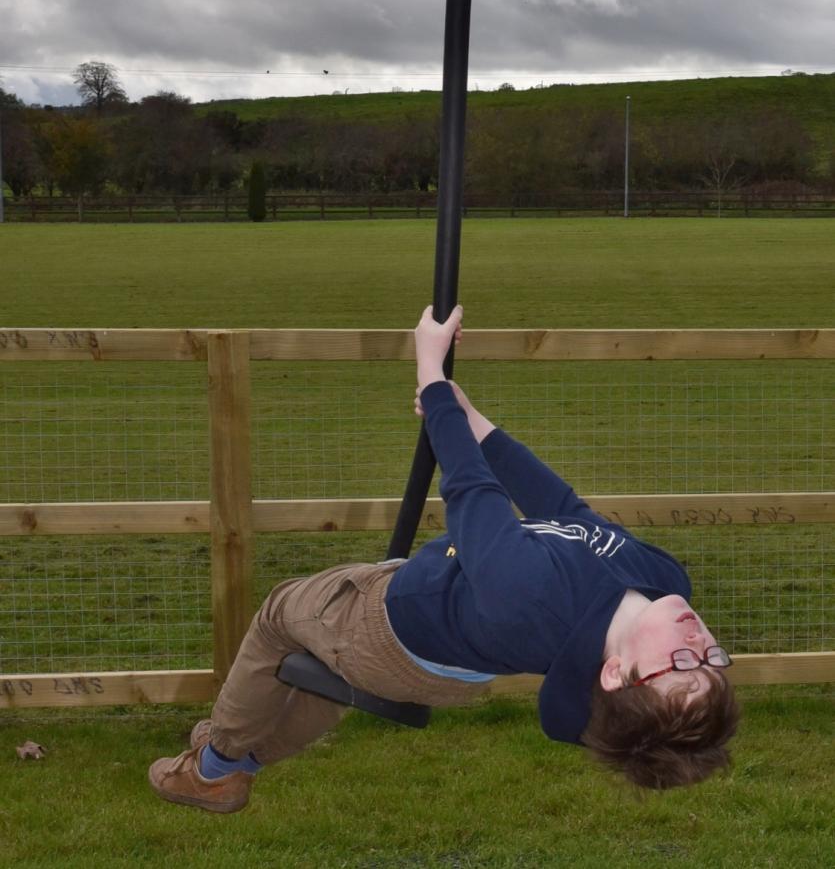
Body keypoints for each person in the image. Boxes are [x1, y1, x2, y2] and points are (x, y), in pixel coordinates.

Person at [149, 305, 739, 813]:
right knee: (324, 675)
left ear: (615, 674)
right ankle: (243, 760)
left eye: (681, 664)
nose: (700, 641)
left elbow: (473, 493)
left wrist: (431, 372)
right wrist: (468, 416)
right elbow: (564, 509)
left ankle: (213, 764)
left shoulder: (530, 598)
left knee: (280, 617)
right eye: (713, 661)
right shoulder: (661, 581)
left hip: (385, 627)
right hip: (439, 643)